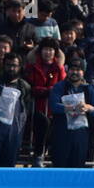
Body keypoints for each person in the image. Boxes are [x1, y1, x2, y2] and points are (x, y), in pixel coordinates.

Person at [48, 55, 94, 167]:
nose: (74, 72)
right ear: (67, 70)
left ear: (83, 72)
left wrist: (88, 107)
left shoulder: (89, 89)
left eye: (78, 70)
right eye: (72, 69)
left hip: (81, 135)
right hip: (61, 133)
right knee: (59, 167)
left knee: (78, 168)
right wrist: (72, 108)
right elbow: (53, 106)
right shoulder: (59, 87)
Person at [26, 37, 64, 166]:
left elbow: (62, 86)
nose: (48, 52)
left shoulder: (58, 68)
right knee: (41, 124)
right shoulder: (32, 67)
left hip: (53, 107)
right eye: (45, 49)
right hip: (36, 106)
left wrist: (51, 91)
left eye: (51, 50)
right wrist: (48, 90)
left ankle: (44, 153)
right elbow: (29, 86)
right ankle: (38, 155)